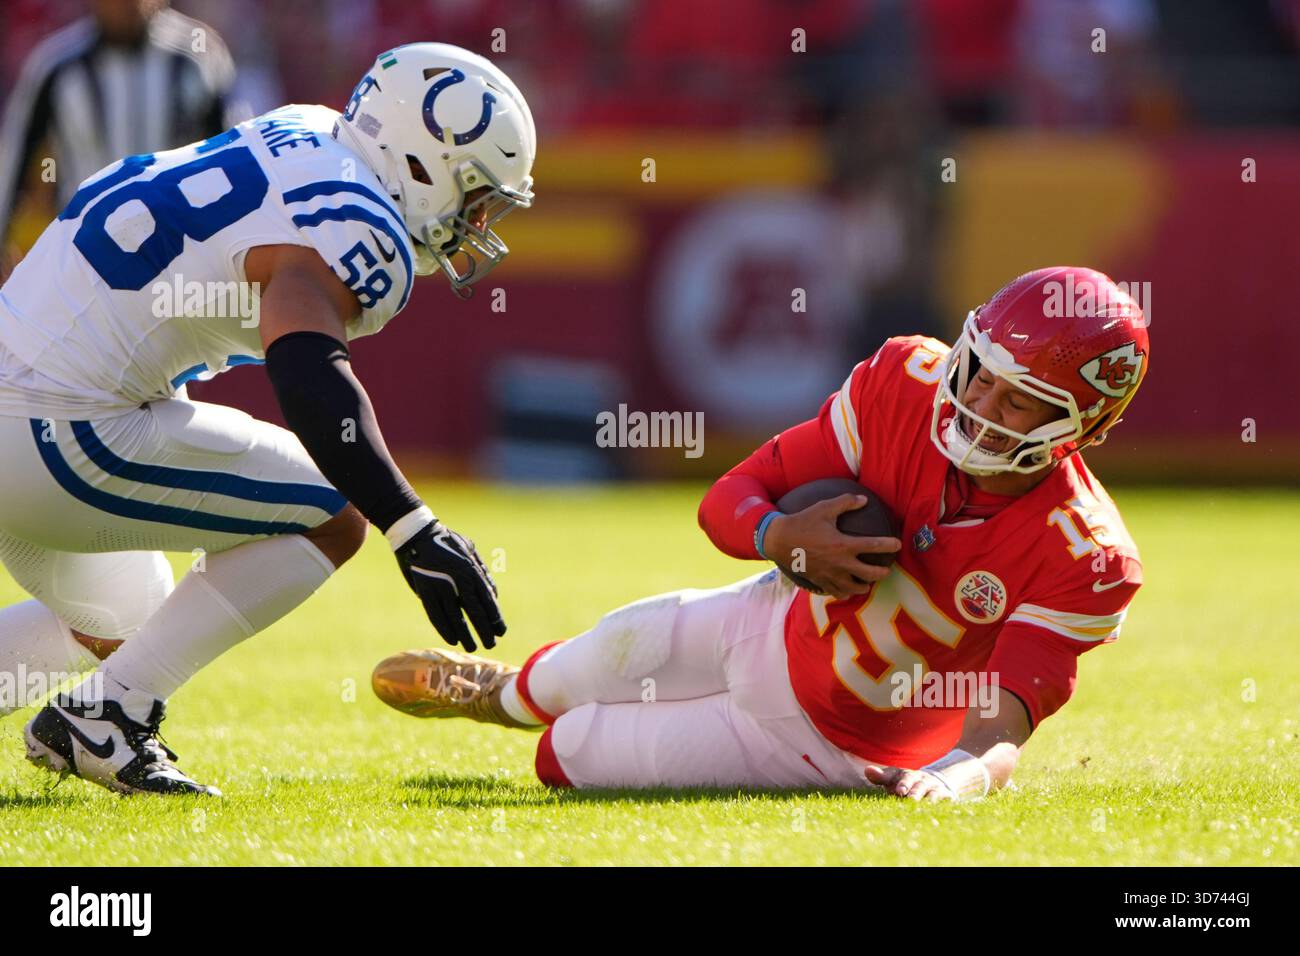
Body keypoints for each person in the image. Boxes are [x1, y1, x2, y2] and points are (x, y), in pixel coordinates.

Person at [373, 266, 1148, 802]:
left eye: (1019, 401)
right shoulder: (906, 383)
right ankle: (497, 694)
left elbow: (998, 727)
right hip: (769, 618)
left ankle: (531, 710)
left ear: (1085, 425)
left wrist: (956, 778)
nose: (980, 401)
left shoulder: (1087, 553)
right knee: (595, 662)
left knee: (569, 751)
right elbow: (728, 498)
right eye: (981, 369)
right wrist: (780, 538)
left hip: (834, 746)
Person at [0, 42, 535, 796]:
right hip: (59, 424)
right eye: (475, 196)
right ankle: (109, 719)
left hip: (24, 393)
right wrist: (410, 524)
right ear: (421, 163)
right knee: (333, 512)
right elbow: (310, 370)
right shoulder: (360, 226)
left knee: (128, 614)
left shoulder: (306, 128)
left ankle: (102, 707)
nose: (477, 222)